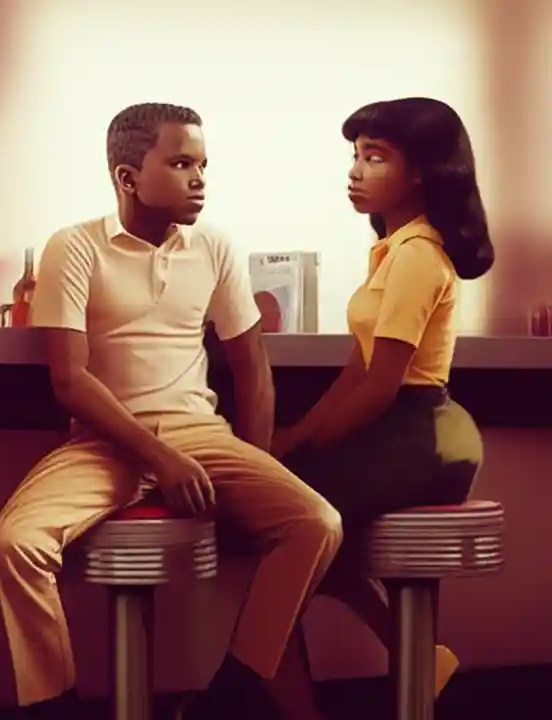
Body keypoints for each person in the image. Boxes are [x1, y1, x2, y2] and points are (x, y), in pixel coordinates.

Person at [0, 103, 343, 719]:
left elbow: (253, 370)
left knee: (317, 522)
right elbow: (70, 380)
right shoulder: (74, 246)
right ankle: (53, 706)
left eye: (202, 164)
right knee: (11, 545)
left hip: (199, 432)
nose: (199, 178)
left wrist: (248, 469)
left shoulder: (216, 247)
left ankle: (226, 701)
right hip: (102, 440)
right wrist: (159, 459)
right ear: (127, 176)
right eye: (180, 163)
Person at [270, 97, 493, 716]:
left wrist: (301, 446)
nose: (355, 170)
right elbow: (359, 369)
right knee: (303, 533)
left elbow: (382, 385)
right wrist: (296, 437)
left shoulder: (418, 254)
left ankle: (294, 706)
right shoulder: (394, 250)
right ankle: (418, 656)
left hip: (419, 429)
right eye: (355, 155)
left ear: (420, 171)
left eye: (375, 157)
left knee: (283, 527)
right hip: (408, 424)